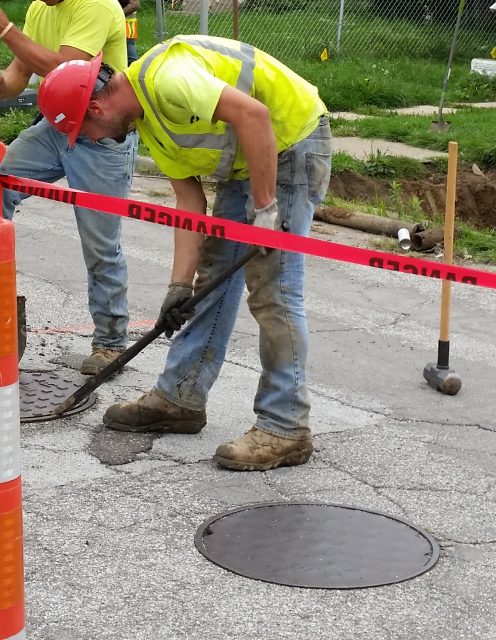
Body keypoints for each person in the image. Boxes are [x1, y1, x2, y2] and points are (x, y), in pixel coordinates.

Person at [35, 34, 332, 471]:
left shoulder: (168, 80)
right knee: (211, 279)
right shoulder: (148, 121)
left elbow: (255, 114)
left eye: (86, 134)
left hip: (289, 145)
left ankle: (285, 426)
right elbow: (189, 206)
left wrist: (267, 208)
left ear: (96, 110)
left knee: (274, 288)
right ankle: (181, 397)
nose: (94, 141)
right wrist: (178, 287)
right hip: (247, 160)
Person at [0, 0, 137, 376]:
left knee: (100, 244)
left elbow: (68, 67)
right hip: (56, 128)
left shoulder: (99, 4)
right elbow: (20, 75)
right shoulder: (37, 10)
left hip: (102, 135)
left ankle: (110, 343)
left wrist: (5, 28)